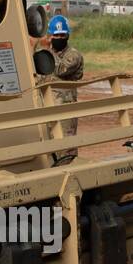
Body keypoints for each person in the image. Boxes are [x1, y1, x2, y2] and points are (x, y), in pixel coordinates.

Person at [47, 14, 84, 163]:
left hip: (65, 108)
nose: (59, 38)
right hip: (47, 106)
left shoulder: (73, 55)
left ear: (67, 35)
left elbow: (60, 70)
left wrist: (44, 52)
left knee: (67, 147)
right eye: (56, 35)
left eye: (62, 35)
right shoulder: (47, 54)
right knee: (49, 145)